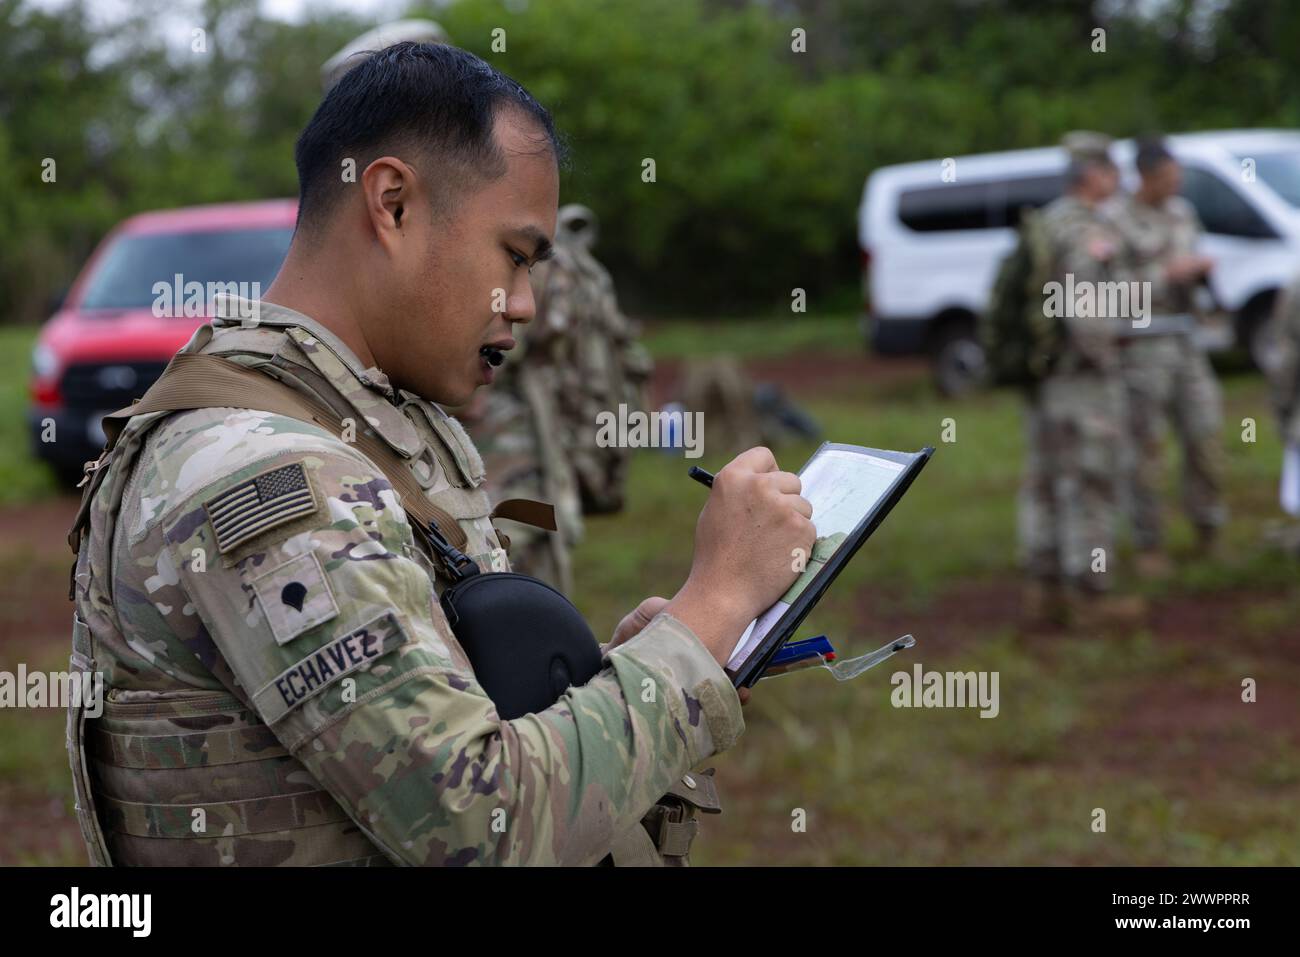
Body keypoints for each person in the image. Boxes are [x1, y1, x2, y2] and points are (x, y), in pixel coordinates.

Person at [65, 42, 815, 866]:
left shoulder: (342, 411)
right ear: (390, 204)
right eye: (515, 256)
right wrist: (711, 609)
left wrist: (642, 660)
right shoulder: (268, 475)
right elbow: (477, 823)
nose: (525, 305)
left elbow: (429, 715)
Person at [1018, 132, 1144, 628]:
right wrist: (1109, 354)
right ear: (1093, 175)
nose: (1116, 181)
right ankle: (1091, 598)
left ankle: (1042, 590)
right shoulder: (1086, 230)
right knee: (1091, 483)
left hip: (1045, 380)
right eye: (1111, 171)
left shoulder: (1046, 222)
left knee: (1045, 482)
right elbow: (1084, 307)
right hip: (1082, 381)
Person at [1105, 138, 1225, 575]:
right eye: (1167, 179)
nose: (1175, 186)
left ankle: (1209, 529)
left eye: (1179, 178)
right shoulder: (1115, 221)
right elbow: (1109, 289)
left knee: (1205, 436)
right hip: (1142, 347)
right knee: (1146, 449)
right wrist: (1165, 275)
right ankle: (1148, 544)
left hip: (1186, 343)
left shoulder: (1182, 213)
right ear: (1146, 176)